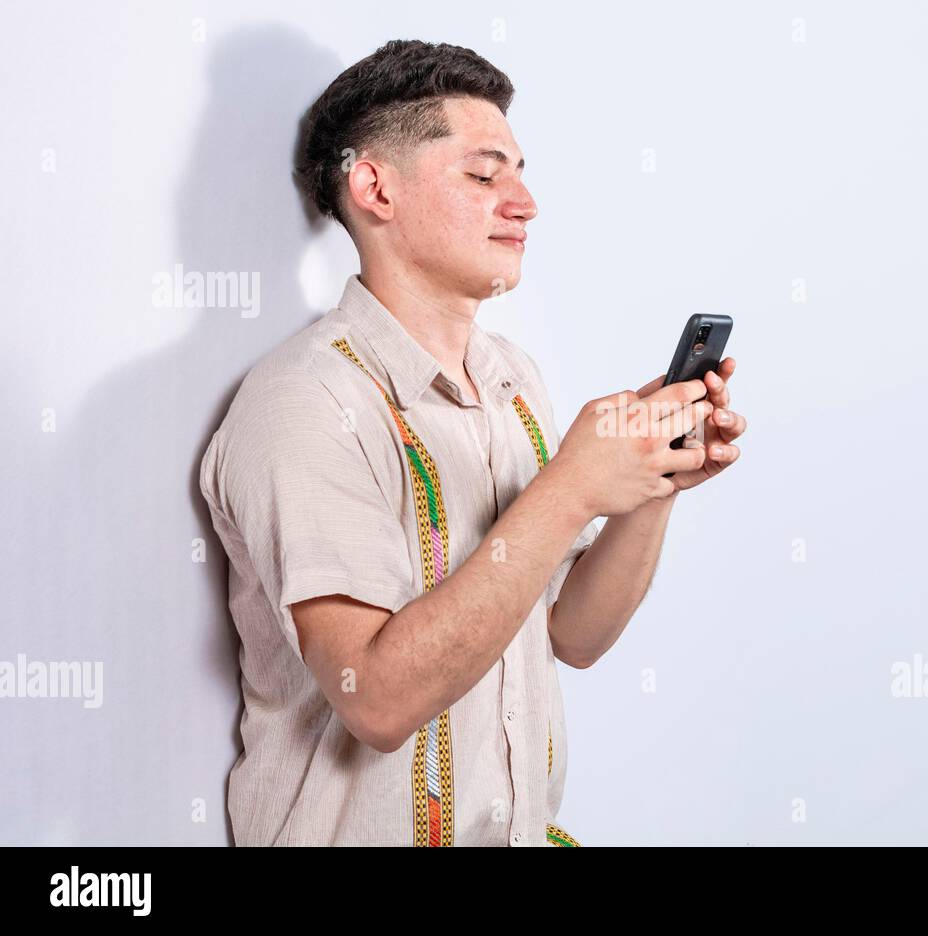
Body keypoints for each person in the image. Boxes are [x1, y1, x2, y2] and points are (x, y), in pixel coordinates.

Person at [198, 40, 746, 846]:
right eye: (484, 176)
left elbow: (570, 635)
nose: (524, 202)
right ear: (374, 186)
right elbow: (375, 699)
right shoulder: (307, 403)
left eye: (520, 173)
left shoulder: (513, 380)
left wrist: (647, 486)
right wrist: (571, 488)